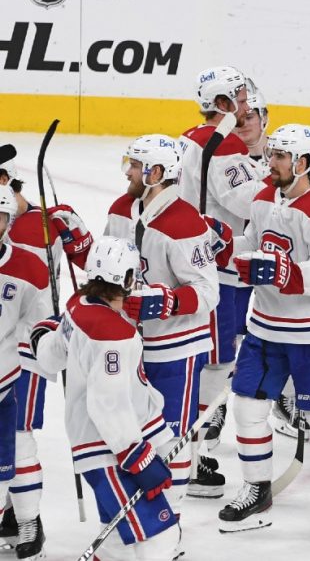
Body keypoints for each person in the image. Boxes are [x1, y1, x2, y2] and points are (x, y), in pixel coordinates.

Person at [221, 124, 310, 541]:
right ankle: (257, 491)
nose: (269, 162)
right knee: (247, 408)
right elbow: (254, 244)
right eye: (271, 154)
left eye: (278, 156)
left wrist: (283, 272)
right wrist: (223, 245)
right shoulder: (262, 198)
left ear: (303, 163)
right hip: (265, 326)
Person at [99, 134, 221, 540]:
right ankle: (143, 519)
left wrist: (164, 301)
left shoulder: (186, 222)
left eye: (135, 165)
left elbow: (208, 291)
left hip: (175, 349)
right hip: (129, 346)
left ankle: (172, 526)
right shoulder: (121, 210)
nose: (128, 171)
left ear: (156, 173)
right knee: (132, 434)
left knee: (171, 439)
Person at [31, 236, 180, 560]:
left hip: (117, 438)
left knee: (117, 540)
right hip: (109, 448)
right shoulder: (112, 334)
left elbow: (52, 357)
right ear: (125, 278)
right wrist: (135, 455)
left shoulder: (78, 306)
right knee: (159, 536)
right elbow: (107, 404)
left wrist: (41, 335)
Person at [0, 162, 91, 560]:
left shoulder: (45, 223)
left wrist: (72, 230)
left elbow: (87, 261)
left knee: (18, 441)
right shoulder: (39, 221)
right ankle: (11, 515)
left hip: (24, 355)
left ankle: (28, 522)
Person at [178, 66, 263, 488]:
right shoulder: (223, 141)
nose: (247, 108)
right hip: (219, 268)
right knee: (216, 361)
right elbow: (245, 201)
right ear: (225, 105)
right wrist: (280, 179)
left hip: (192, 261)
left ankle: (191, 449)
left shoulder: (186, 139)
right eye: (242, 99)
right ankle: (191, 455)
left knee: (201, 356)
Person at [232, 82, 310, 442]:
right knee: (234, 336)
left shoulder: (287, 159)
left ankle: (291, 396)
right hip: (236, 262)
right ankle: (222, 409)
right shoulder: (223, 159)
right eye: (237, 119)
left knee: (291, 321)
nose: (244, 123)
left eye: (250, 116)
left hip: (279, 263)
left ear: (264, 117)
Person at [0, 184, 49, 560]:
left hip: (10, 376)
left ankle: (29, 520)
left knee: (19, 444)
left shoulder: (29, 267)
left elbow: (42, 324)